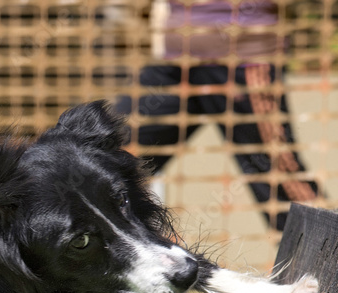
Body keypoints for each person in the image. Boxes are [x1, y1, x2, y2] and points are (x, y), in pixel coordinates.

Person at [116, 0, 321, 229]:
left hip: (243, 61)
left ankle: (325, 243)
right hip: (176, 60)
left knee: (278, 173)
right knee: (111, 151)